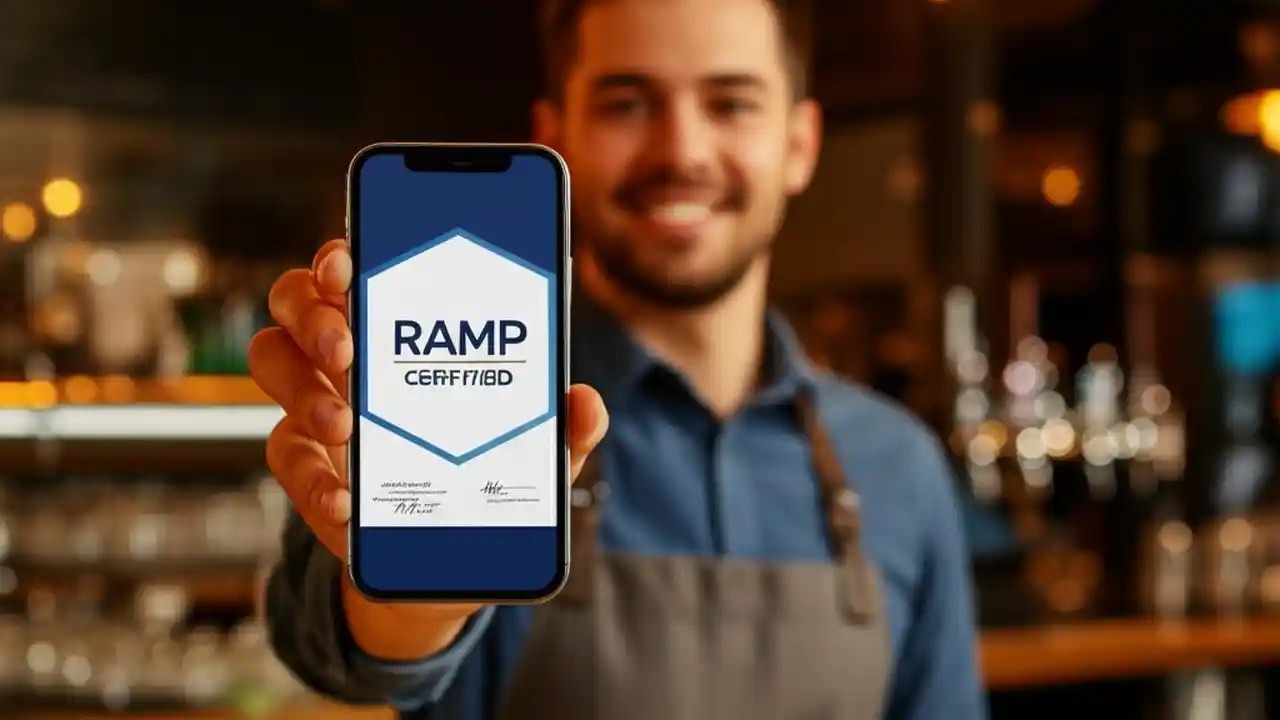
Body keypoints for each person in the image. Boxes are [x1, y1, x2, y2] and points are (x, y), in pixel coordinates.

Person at [248, 0, 987, 717]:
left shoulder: (901, 468)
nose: (682, 152)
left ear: (799, 144)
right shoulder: (466, 405)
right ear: (555, 134)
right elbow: (342, 651)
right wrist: (409, 610)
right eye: (627, 103)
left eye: (730, 103)